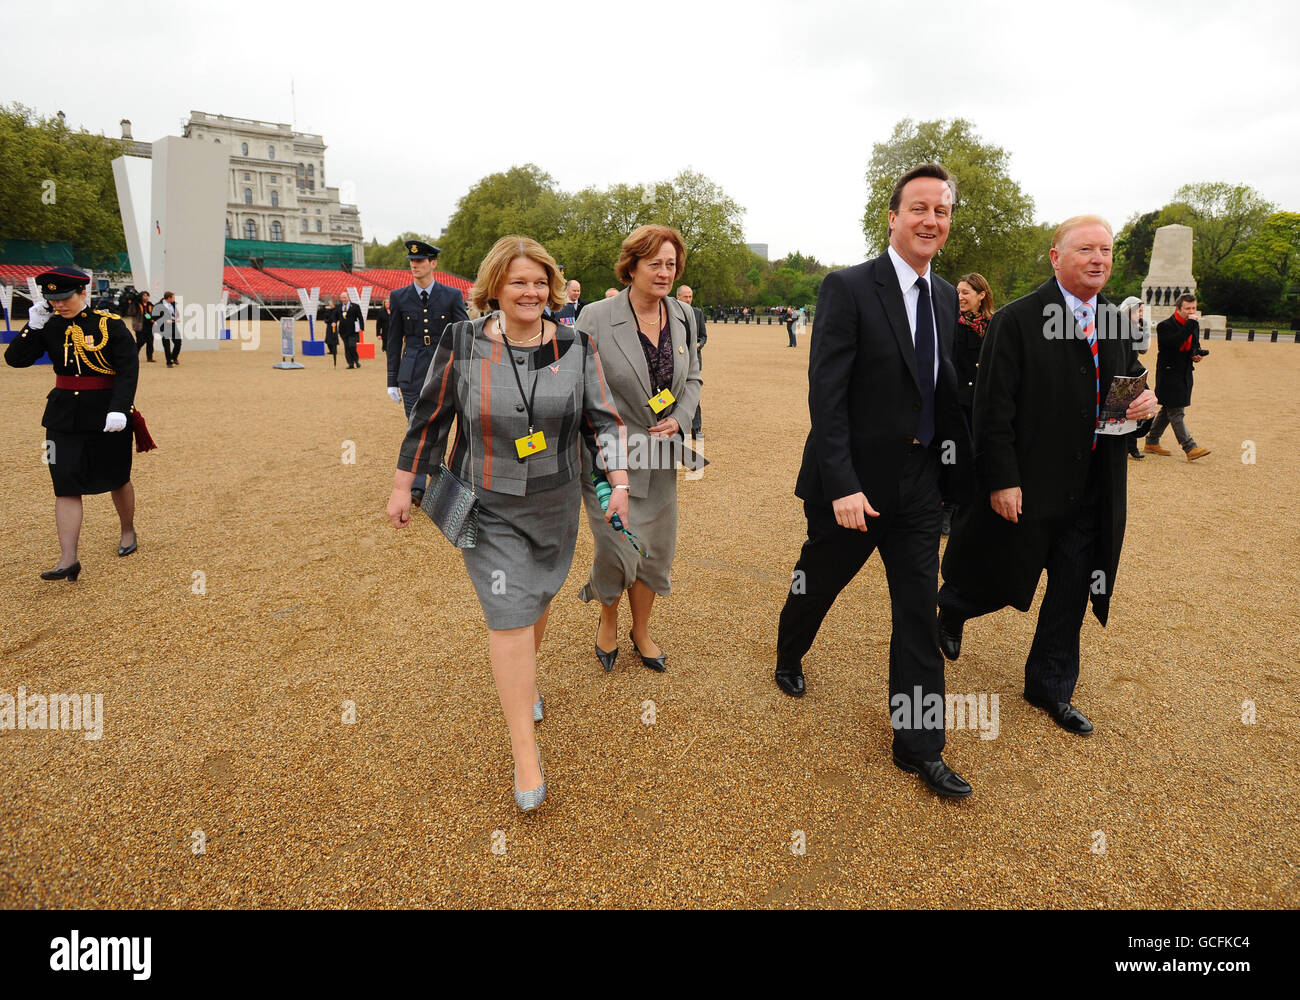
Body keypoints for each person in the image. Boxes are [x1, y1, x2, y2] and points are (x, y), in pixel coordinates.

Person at [387, 236, 629, 812]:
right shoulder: (463, 340)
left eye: (541, 281)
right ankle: (526, 749)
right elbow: (430, 418)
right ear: (495, 285)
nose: (531, 291)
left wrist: (619, 484)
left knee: (537, 597)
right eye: (519, 282)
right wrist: (404, 485)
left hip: (554, 503)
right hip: (487, 502)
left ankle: (528, 683)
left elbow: (604, 421)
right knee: (510, 612)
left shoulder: (575, 344)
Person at [774, 164, 974, 798]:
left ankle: (919, 746)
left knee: (917, 611)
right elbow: (826, 396)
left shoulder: (946, 297)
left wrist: (955, 476)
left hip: (917, 487)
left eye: (940, 211)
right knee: (821, 580)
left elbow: (944, 394)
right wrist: (842, 486)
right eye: (918, 208)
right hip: (852, 484)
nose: (929, 221)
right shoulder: (849, 287)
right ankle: (789, 650)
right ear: (892, 217)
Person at [938, 216, 1160, 740]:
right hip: (1031, 480)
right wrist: (1001, 480)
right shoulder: (1016, 321)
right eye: (1085, 249)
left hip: (1094, 486)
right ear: (1056, 256)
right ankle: (951, 609)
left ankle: (1050, 686)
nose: (1098, 259)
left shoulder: (1118, 323)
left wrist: (1143, 409)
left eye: (1105, 250)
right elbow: (992, 409)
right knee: (1002, 569)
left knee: (1071, 589)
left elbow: (1120, 399)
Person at [576, 225, 703, 674]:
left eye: (671, 264)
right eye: (655, 264)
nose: (664, 272)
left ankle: (641, 630)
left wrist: (682, 419)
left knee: (653, 549)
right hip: (609, 456)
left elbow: (693, 379)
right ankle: (608, 618)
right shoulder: (594, 316)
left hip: (660, 457)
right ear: (631, 266)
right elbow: (579, 384)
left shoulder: (684, 316)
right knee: (616, 547)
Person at [5, 267, 155, 579]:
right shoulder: (49, 325)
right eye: (52, 299)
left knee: (117, 476)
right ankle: (68, 558)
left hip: (106, 414)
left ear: (82, 293)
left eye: (64, 298)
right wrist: (32, 327)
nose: (58, 304)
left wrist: (120, 408)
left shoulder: (109, 326)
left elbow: (128, 371)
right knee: (65, 483)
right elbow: (16, 359)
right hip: (62, 416)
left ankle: (128, 531)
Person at [385, 239, 470, 506]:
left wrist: (468, 371)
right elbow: (393, 340)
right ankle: (418, 486)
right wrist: (391, 380)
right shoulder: (399, 297)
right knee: (417, 428)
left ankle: (441, 480)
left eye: (420, 261)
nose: (415, 266)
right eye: (412, 262)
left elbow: (464, 335)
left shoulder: (451, 296)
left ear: (433, 263)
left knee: (444, 426)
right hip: (411, 373)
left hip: (445, 370)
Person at [944, 273, 994, 534]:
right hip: (956, 400)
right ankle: (948, 506)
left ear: (981, 295)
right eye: (958, 291)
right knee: (952, 454)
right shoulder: (951, 324)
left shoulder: (993, 326)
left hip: (981, 402)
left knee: (977, 454)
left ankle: (970, 508)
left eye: (966, 292)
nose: (960, 297)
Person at [1145, 293, 1210, 461]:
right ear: (1178, 309)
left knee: (1168, 409)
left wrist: (1196, 354)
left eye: (1193, 308)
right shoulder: (1164, 326)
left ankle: (1151, 441)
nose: (1191, 312)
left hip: (1185, 372)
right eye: (1187, 309)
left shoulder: (1192, 325)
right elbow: (1174, 343)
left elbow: (1193, 345)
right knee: (1176, 410)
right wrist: (1190, 324)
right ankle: (1190, 447)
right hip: (1168, 373)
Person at [1116, 296, 1151, 459]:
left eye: (1143, 311)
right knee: (1125, 409)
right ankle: (1129, 446)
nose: (1141, 314)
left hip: (1134, 370)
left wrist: (1143, 329)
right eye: (1139, 310)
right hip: (1122, 371)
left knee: (1138, 407)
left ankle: (1132, 444)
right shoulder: (1117, 324)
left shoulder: (1137, 326)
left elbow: (1143, 350)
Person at [675, 284, 707, 439]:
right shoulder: (669, 312)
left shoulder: (697, 313)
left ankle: (696, 428)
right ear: (678, 297)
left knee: (692, 394)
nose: (688, 299)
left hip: (693, 360)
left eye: (690, 296)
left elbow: (703, 336)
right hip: (674, 360)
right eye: (685, 296)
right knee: (669, 393)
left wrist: (698, 344)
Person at [336, 291, 364, 369]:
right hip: (343, 331)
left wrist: (361, 327)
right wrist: (334, 322)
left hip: (353, 330)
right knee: (347, 347)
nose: (343, 299)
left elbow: (360, 317)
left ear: (348, 297)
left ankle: (356, 360)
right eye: (342, 298)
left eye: (344, 297)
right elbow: (334, 316)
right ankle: (350, 363)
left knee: (352, 346)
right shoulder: (339, 307)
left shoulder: (355, 306)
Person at [128, 291, 155, 363]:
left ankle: (150, 357)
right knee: (140, 341)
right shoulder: (136, 304)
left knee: (150, 342)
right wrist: (132, 304)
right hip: (139, 326)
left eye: (147, 296)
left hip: (149, 325)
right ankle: (134, 356)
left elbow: (152, 313)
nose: (146, 297)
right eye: (144, 296)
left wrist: (152, 319)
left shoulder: (150, 304)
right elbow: (131, 313)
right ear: (141, 297)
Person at [156, 291, 180, 367]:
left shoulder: (173, 304)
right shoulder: (158, 305)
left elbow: (175, 313)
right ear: (169, 298)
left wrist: (176, 316)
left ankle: (174, 357)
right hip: (164, 326)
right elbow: (155, 316)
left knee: (178, 342)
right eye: (173, 297)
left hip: (173, 325)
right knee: (166, 345)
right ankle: (169, 362)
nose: (174, 299)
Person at [323, 296, 339, 366]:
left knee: (333, 337)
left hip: (333, 326)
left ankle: (334, 350)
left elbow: (335, 318)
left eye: (331, 304)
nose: (329, 305)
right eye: (329, 304)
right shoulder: (328, 310)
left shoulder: (336, 310)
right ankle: (331, 350)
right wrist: (326, 320)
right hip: (328, 326)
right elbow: (326, 317)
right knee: (328, 338)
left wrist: (330, 321)